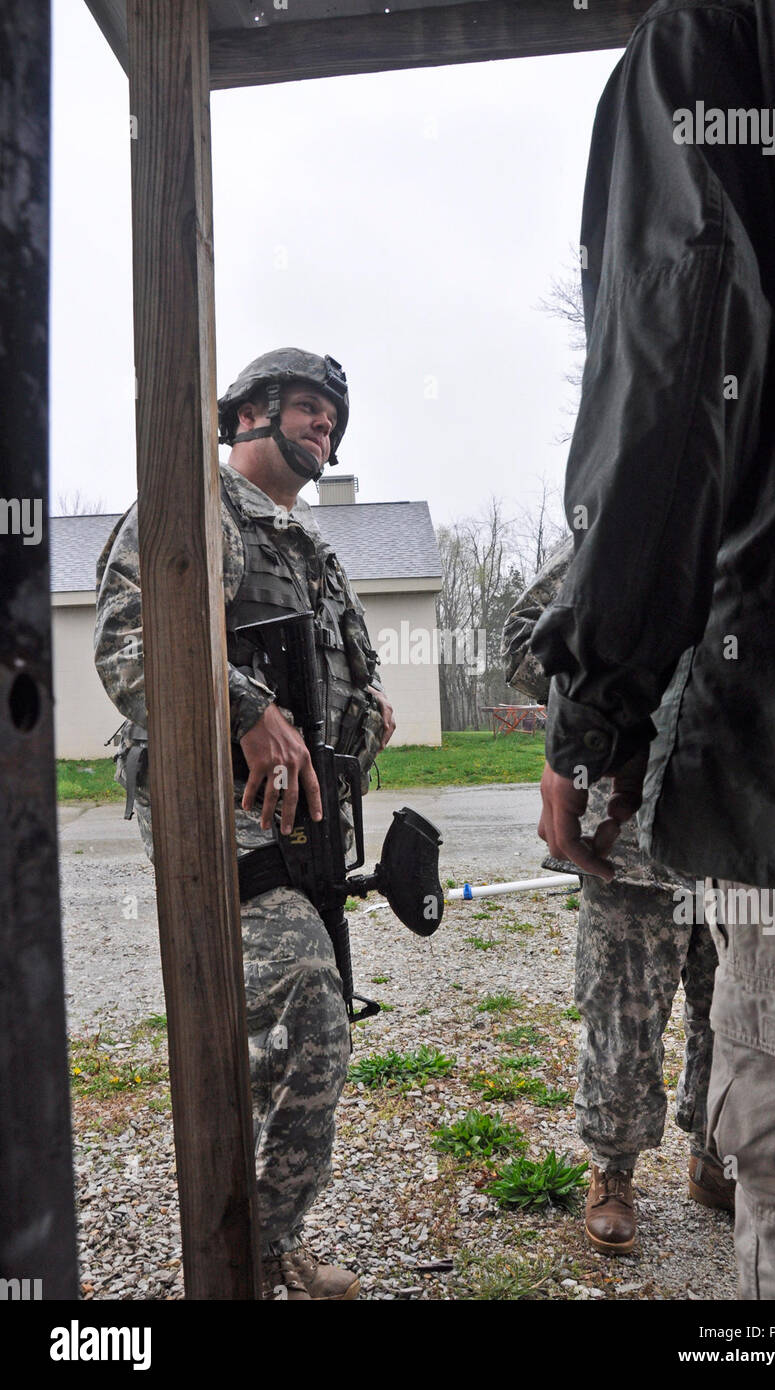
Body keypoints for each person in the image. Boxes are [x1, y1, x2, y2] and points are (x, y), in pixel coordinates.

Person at [532, 0, 775, 1300]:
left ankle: (695, 1156)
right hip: (742, 808)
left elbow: (676, 347)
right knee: (633, 1003)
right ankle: (614, 1166)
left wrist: (590, 721)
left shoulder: (728, 33)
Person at [95, 348, 395, 1300]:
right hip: (220, 826)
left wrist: (372, 708)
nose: (324, 428)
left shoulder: (314, 547)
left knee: (285, 1033)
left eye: (331, 418)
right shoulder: (192, 511)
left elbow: (343, 670)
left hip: (307, 830)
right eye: (307, 410)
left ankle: (263, 1240)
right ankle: (251, 1258)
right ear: (246, 420)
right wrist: (242, 707)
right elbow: (128, 647)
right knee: (311, 1017)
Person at [503, 544, 732, 1255]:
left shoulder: (769, 528)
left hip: (740, 837)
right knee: (621, 1016)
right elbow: (524, 636)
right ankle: (612, 1171)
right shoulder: (636, 522)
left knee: (733, 1016)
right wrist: (604, 711)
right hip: (624, 843)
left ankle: (717, 1156)